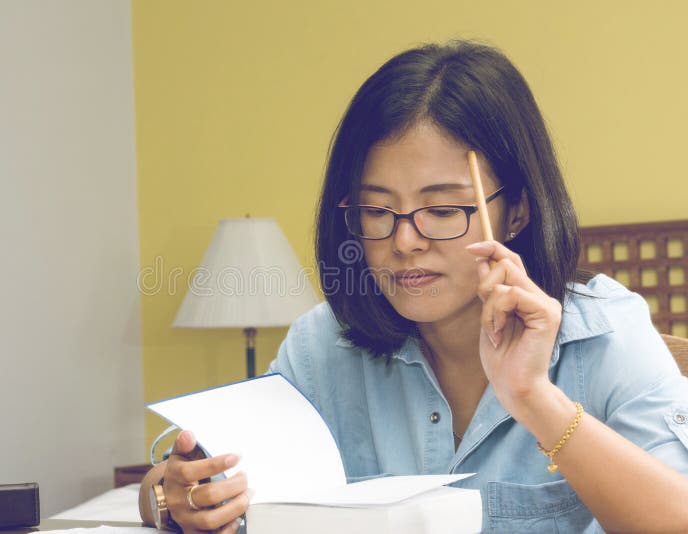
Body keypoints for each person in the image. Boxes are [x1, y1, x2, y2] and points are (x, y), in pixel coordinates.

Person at [140, 40, 688, 533]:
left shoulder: (607, 334)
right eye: (379, 209)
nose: (404, 241)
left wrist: (534, 398)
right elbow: (186, 478)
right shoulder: (324, 345)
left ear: (517, 209)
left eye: (443, 209)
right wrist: (175, 495)